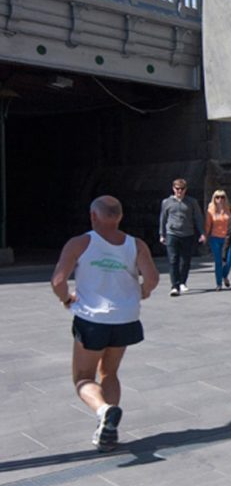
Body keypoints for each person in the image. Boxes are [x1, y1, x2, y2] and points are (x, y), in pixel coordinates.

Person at [51, 194, 158, 449]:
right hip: (125, 318)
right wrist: (142, 292)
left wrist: (66, 298)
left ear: (93, 216)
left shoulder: (80, 243)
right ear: (120, 216)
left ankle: (103, 411)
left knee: (82, 377)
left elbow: (58, 280)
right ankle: (109, 432)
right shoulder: (136, 244)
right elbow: (152, 278)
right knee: (109, 372)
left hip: (92, 319)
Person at [158, 176, 204, 295]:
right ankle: (175, 286)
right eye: (177, 188)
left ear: (185, 189)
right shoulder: (166, 202)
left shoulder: (192, 202)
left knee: (185, 260)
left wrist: (202, 233)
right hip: (172, 233)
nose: (179, 191)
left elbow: (198, 218)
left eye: (182, 189)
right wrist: (161, 234)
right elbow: (163, 218)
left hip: (187, 234)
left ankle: (183, 282)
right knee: (173, 260)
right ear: (173, 189)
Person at [205, 189, 231, 290]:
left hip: (229, 238)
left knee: (230, 260)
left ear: (225, 198)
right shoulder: (211, 209)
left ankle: (224, 275)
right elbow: (208, 225)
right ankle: (219, 283)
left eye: (222, 197)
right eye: (217, 197)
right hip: (215, 238)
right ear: (214, 199)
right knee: (218, 262)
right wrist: (205, 235)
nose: (220, 199)